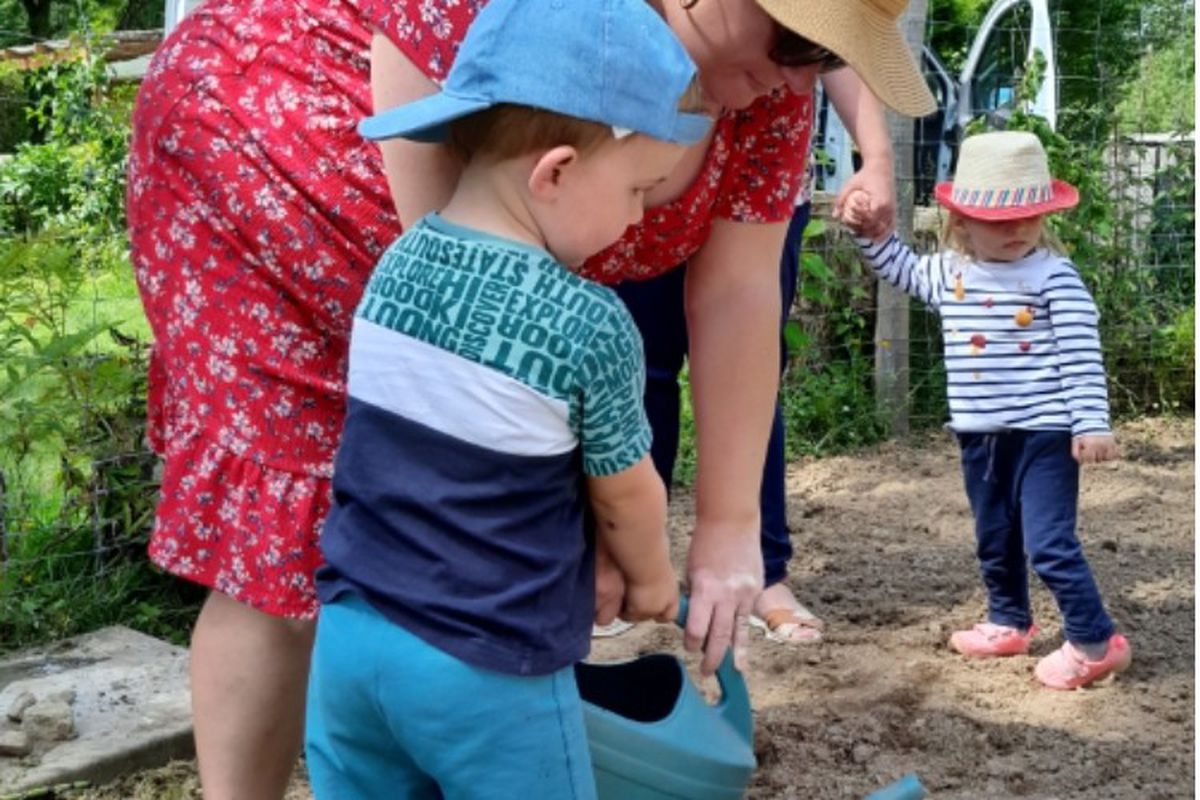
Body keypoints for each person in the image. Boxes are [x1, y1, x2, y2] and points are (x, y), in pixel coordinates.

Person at [127, 0, 934, 795]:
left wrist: (730, 530)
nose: (802, 81)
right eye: (799, 37)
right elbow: (464, 324)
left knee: (399, 544)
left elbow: (739, 288)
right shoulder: (529, 274)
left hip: (459, 268)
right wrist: (602, 545)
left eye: (828, 56)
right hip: (279, 129)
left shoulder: (767, 89)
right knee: (293, 512)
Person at [301, 2, 706, 795]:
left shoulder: (396, 268)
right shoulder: (592, 320)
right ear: (553, 171)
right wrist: (652, 580)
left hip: (349, 640)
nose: (636, 216)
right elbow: (626, 494)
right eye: (636, 188)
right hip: (485, 668)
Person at [611, 67, 897, 646]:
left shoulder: (782, 83)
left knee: (748, 375)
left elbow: (832, 48)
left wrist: (879, 156)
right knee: (641, 368)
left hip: (765, 166)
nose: (796, 67)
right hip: (650, 153)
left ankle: (762, 570)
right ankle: (632, 567)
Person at [840, 130, 1132, 690]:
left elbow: (1080, 350)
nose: (1017, 229)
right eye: (1000, 220)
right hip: (980, 436)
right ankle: (1008, 620)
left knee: (1048, 541)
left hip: (1045, 434)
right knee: (994, 534)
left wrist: (1092, 421)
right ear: (961, 221)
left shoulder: (1053, 277)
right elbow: (899, 267)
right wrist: (872, 234)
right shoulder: (951, 273)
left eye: (1029, 216)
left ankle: (1095, 641)